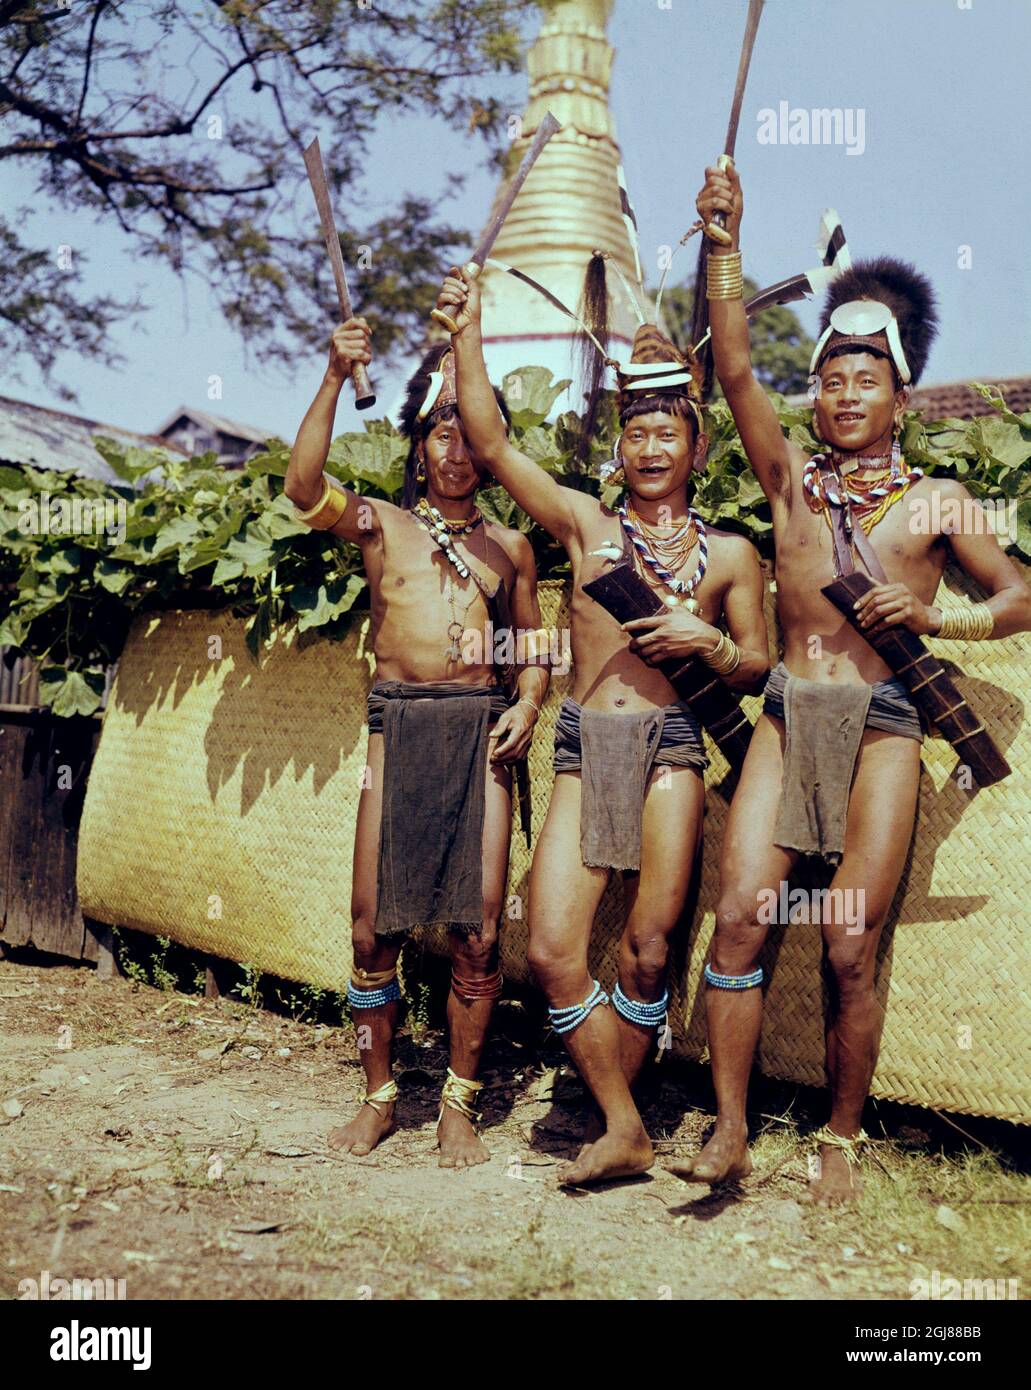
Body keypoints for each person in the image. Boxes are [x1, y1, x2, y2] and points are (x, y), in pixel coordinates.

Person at [686, 161, 1031, 1202]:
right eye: (829, 377)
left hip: (886, 728)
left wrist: (937, 615)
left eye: (862, 379)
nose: (842, 394)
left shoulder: (938, 501)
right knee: (741, 916)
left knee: (845, 940)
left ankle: (837, 1137)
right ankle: (731, 1128)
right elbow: (736, 368)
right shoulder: (790, 485)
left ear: (897, 393)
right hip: (790, 718)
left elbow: (1019, 598)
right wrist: (723, 243)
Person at [437, 263, 769, 1185]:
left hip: (670, 750)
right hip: (586, 744)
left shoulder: (733, 554)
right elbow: (495, 442)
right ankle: (625, 1124)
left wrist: (707, 639)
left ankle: (611, 1112)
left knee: (648, 948)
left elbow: (761, 665)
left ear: (697, 448)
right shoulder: (586, 527)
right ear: (617, 447)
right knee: (548, 948)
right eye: (636, 431)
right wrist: (466, 328)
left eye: (668, 431)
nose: (651, 446)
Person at [284, 319, 549, 1168]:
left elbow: (530, 647)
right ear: (421, 444)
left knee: (475, 932)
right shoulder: (379, 526)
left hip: (479, 735)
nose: (460, 450)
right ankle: (381, 1098)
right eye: (444, 432)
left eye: (473, 435)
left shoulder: (508, 548)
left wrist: (531, 703)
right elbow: (299, 487)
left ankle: (459, 1108)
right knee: (371, 932)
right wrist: (332, 376)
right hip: (396, 727)